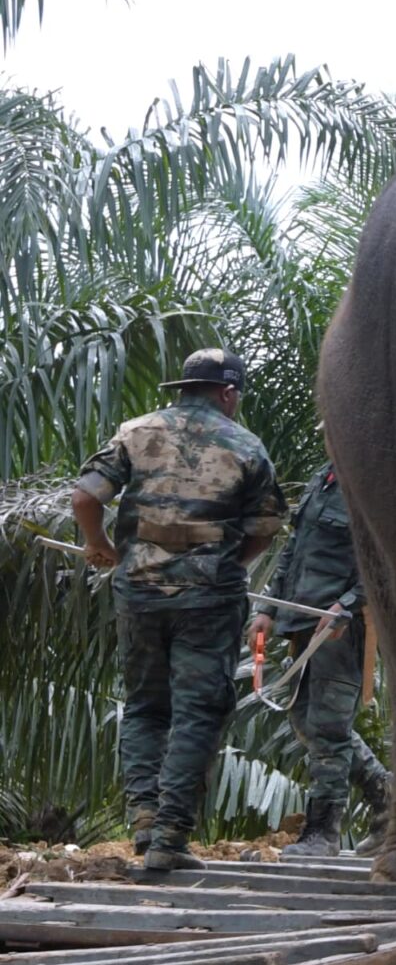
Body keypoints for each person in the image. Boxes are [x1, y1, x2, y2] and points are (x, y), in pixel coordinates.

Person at [71, 349, 286, 872]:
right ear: (228, 393)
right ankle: (169, 837)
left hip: (138, 591)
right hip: (209, 599)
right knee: (198, 710)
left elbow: (84, 497)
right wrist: (225, 565)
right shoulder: (246, 446)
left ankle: (144, 821)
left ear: (184, 388)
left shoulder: (137, 431)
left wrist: (101, 547)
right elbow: (266, 527)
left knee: (145, 707)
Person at [252, 454, 392, 859]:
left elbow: (383, 559)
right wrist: (267, 609)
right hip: (301, 619)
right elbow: (293, 550)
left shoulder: (372, 483)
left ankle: (322, 833)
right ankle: (390, 798)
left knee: (329, 729)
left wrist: (346, 604)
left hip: (340, 628)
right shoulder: (324, 478)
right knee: (308, 723)